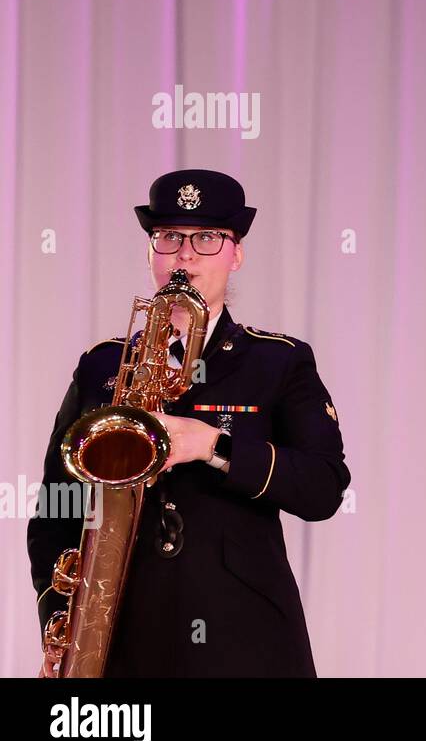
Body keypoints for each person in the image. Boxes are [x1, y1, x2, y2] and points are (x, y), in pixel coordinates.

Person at [28, 169, 349, 677]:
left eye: (207, 237)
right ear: (150, 251)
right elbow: (55, 509)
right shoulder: (101, 365)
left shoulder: (278, 362)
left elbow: (324, 488)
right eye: (169, 237)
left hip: (246, 642)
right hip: (121, 641)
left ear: (236, 253)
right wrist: (66, 625)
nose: (185, 254)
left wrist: (214, 447)